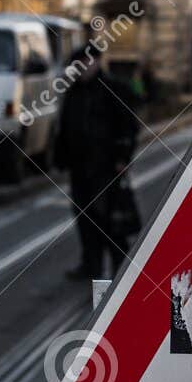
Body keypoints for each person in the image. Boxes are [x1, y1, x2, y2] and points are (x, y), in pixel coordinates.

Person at [54, 45, 139, 280]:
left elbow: (128, 126)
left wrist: (123, 157)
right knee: (84, 217)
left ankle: (120, 269)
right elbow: (66, 126)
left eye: (86, 62)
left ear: (96, 62)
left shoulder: (113, 89)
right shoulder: (74, 91)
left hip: (106, 168)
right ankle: (91, 265)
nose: (82, 68)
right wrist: (60, 157)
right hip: (80, 167)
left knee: (110, 220)